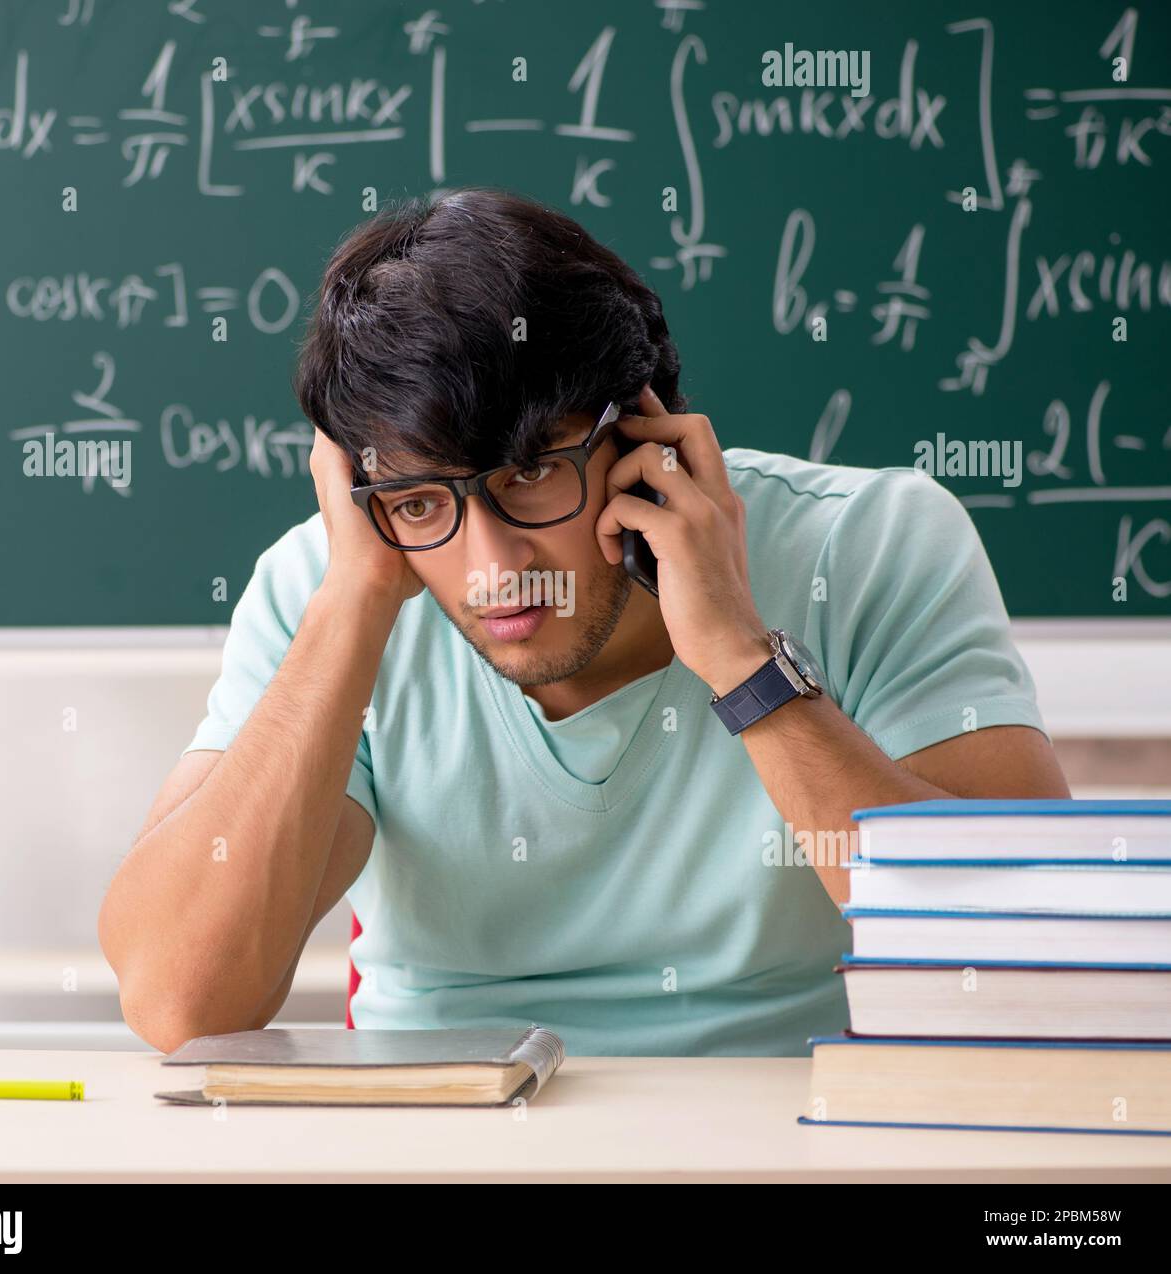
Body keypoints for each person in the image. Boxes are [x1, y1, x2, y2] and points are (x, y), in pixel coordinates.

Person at [99, 187, 1070, 1056]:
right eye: (424, 500)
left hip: (774, 1131)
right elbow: (183, 1000)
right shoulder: (336, 584)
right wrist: (352, 604)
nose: (491, 570)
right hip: (440, 1141)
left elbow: (1023, 965)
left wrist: (739, 657)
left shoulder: (868, 544)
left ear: (645, 434)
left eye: (529, 475)